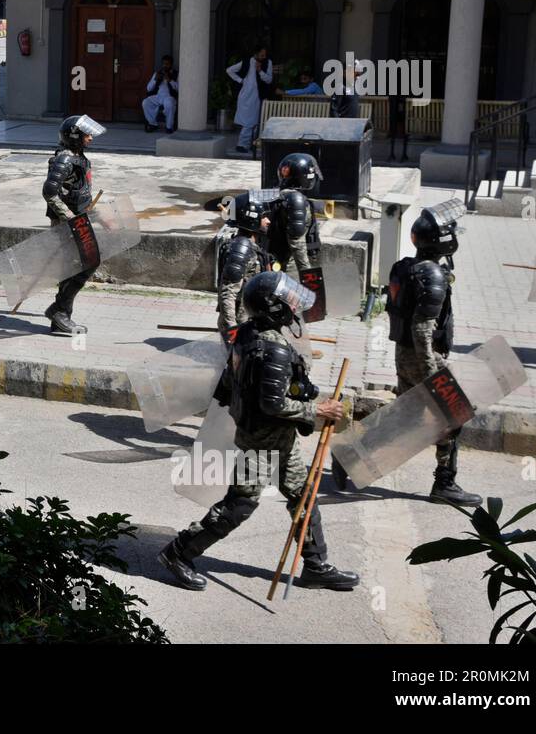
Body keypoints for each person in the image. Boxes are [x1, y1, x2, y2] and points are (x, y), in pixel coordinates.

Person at [157, 271, 359, 592]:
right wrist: (317, 411)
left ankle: (316, 565)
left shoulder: (248, 333)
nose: (294, 302)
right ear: (272, 307)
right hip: (262, 441)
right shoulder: (271, 348)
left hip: (279, 438)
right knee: (240, 504)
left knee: (303, 496)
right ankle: (178, 553)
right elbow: (272, 405)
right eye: (287, 298)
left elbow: (228, 384)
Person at [382, 202, 482, 506]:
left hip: (404, 352)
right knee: (454, 415)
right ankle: (444, 483)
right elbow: (423, 329)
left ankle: (350, 459)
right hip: (424, 356)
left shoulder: (405, 267)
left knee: (408, 416)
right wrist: (432, 375)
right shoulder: (433, 277)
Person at [42, 114, 106, 336]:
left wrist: (99, 217)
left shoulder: (80, 157)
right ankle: (59, 312)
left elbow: (81, 194)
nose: (90, 138)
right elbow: (49, 192)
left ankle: (61, 317)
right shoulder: (65, 160)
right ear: (74, 136)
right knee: (85, 263)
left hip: (80, 219)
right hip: (67, 223)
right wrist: (69, 217)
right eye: (86, 134)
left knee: (76, 265)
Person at [217, 192, 275, 342]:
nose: (268, 221)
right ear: (251, 219)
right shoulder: (241, 250)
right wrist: (233, 330)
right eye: (263, 217)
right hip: (240, 325)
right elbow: (228, 294)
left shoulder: (253, 245)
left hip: (250, 321)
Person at [268, 152, 323, 279]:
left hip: (274, 261)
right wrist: (310, 280)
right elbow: (297, 244)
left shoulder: (277, 195)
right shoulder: (296, 201)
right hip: (286, 266)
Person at [227, 47, 273, 155]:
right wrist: (241, 80)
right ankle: (242, 144)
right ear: (256, 54)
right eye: (261, 55)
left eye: (265, 55)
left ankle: (249, 144)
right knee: (248, 122)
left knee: (256, 122)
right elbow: (229, 70)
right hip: (247, 96)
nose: (264, 57)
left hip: (260, 95)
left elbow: (269, 79)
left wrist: (260, 71)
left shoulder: (268, 63)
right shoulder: (247, 62)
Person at [141, 55, 178, 133]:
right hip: (158, 96)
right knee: (146, 102)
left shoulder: (176, 74)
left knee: (169, 103)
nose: (165, 66)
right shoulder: (157, 73)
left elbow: (179, 88)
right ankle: (153, 124)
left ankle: (169, 127)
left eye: (167, 64)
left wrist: (170, 80)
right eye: (164, 64)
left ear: (171, 65)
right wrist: (155, 80)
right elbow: (149, 88)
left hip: (170, 96)